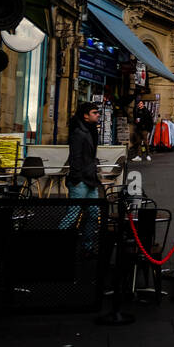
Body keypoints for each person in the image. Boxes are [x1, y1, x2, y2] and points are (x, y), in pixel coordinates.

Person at [63, 101, 101, 251]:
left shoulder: (91, 130)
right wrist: (76, 178)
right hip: (80, 181)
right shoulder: (79, 132)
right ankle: (59, 242)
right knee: (73, 214)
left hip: (90, 179)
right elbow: (75, 157)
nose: (98, 115)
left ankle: (88, 246)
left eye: (97, 112)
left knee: (93, 214)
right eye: (94, 112)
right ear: (86, 116)